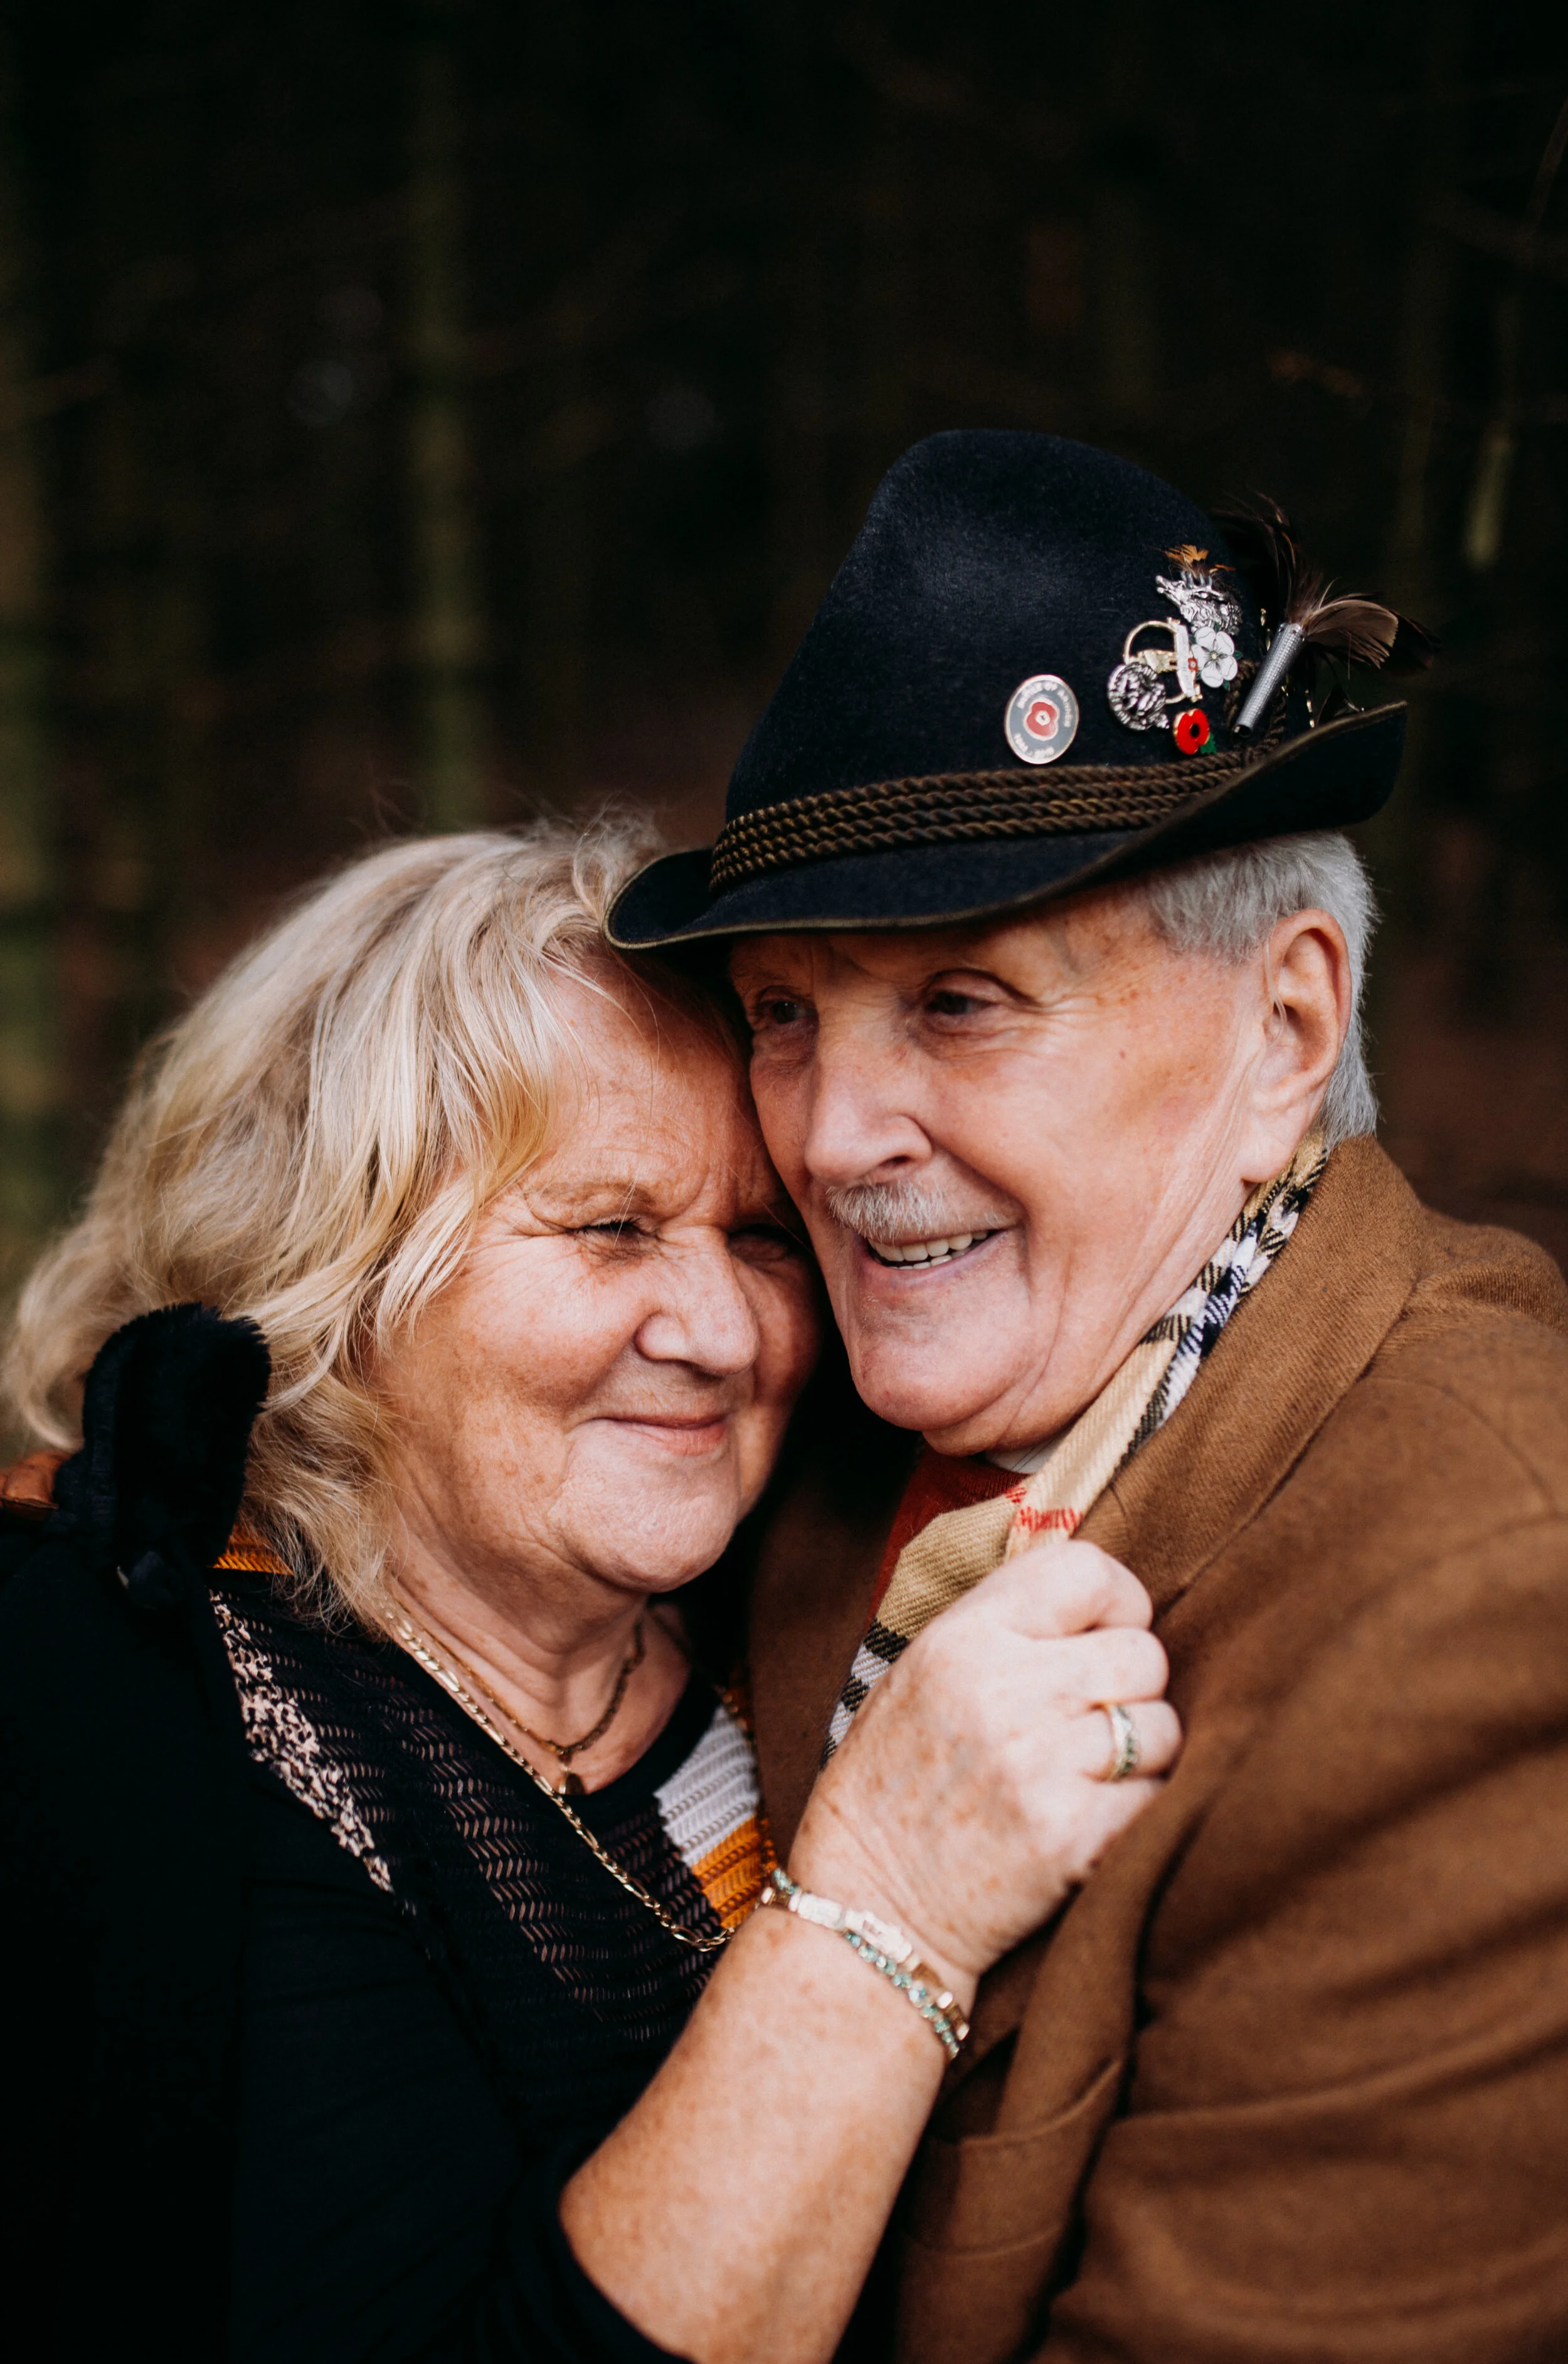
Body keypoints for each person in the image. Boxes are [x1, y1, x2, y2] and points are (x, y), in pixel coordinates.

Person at [608, 430, 1568, 2363]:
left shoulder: (1486, 1600)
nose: (831, 1137)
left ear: (1286, 1028)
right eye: (783, 1013)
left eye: (958, 1003)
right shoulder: (822, 1408)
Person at [0, 823, 1179, 2364]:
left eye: (761, 1239)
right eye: (610, 1228)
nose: (720, 1331)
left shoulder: (800, 1612)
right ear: (340, 1262)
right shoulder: (136, 1705)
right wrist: (885, 1902)